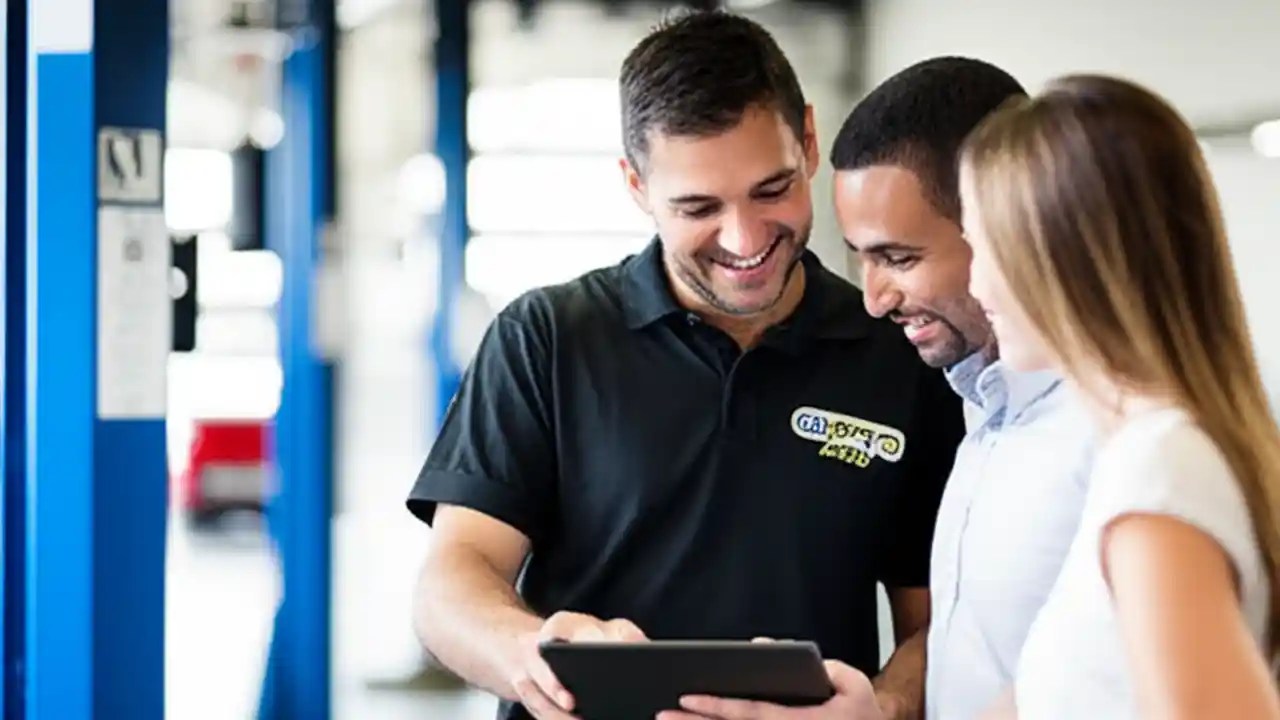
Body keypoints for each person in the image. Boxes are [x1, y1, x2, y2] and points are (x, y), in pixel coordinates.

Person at [407, 11, 965, 720]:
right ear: (636, 186)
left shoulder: (900, 352)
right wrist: (530, 654)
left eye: (771, 190)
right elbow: (452, 582)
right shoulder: (546, 339)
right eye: (698, 206)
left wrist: (880, 709)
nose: (744, 239)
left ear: (810, 141)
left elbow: (940, 625)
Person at [662, 58, 1096, 720]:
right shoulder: (984, 414)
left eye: (898, 258)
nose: (872, 300)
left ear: (1011, 225)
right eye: (860, 258)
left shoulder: (1116, 443)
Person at [958, 74, 1280, 719]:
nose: (975, 281)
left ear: (1051, 254)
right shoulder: (1157, 454)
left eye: (980, 244)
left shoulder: (1158, 468)